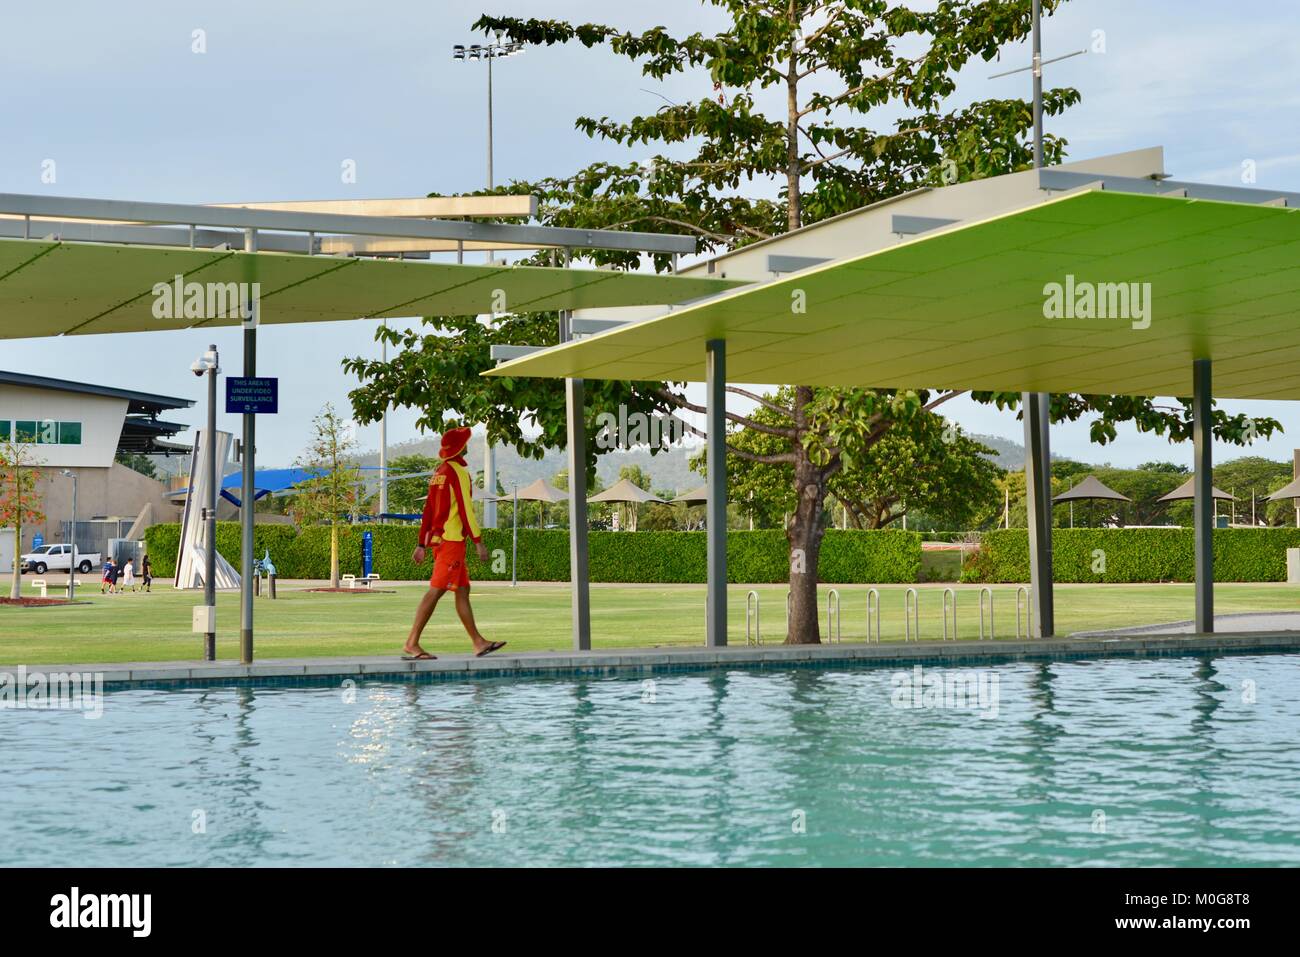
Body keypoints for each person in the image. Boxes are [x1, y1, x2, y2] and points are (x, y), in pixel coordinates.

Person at [402, 426, 506, 661]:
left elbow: (428, 509)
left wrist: (421, 543)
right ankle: (412, 642)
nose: (468, 445)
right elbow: (466, 509)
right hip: (452, 540)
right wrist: (478, 541)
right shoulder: (457, 471)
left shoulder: (439, 471)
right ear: (460, 447)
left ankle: (478, 642)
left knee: (462, 590)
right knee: (436, 590)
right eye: (466, 442)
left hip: (440, 540)